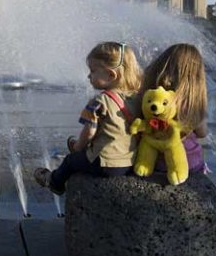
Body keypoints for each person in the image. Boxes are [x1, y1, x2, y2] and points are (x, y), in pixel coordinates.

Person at [34, 42, 143, 194]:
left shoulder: (99, 102)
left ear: (111, 75)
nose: (88, 76)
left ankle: (54, 182)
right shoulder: (136, 99)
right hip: (129, 162)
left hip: (105, 164)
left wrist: (78, 148)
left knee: (71, 161)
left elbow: (89, 133)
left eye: (93, 71)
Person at [141, 44, 209, 174]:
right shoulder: (191, 103)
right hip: (189, 162)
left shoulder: (150, 98)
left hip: (153, 161)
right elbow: (202, 133)